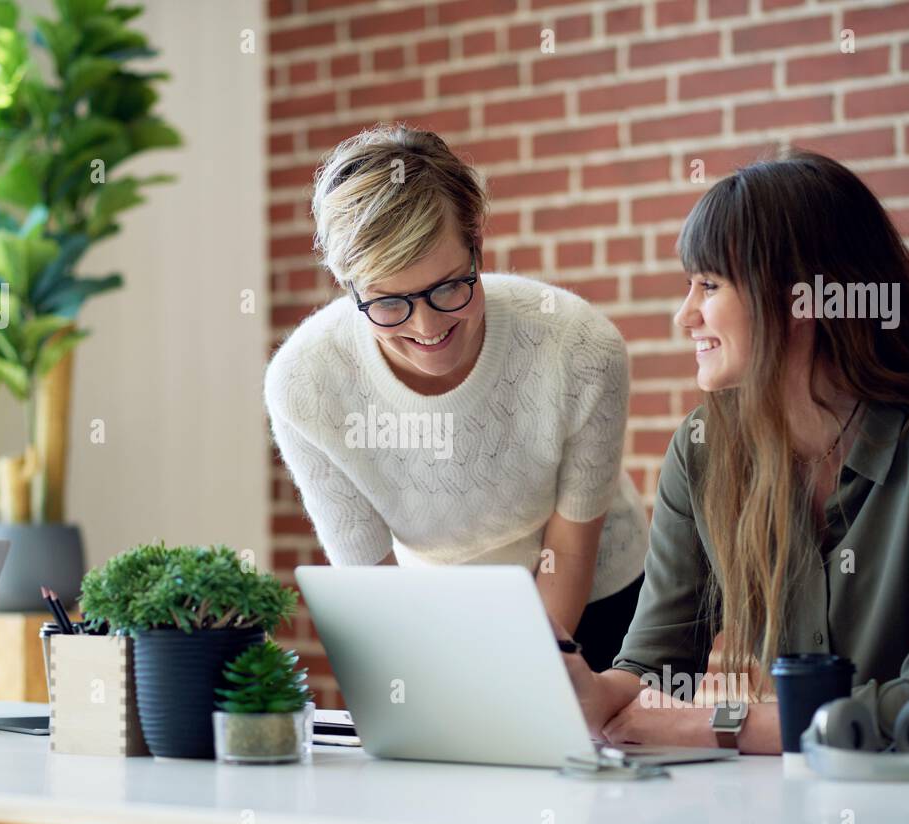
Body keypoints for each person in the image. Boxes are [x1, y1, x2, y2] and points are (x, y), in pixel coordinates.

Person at [561, 149, 909, 760]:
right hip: (818, 797)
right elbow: (655, 664)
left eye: (708, 286)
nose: (684, 315)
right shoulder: (703, 450)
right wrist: (590, 692)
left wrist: (723, 724)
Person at [264, 125, 649, 671]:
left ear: (477, 247)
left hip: (599, 599)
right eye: (390, 303)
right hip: (447, 601)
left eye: (449, 287)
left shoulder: (580, 347)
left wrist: (535, 676)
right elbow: (374, 590)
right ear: (349, 286)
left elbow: (565, 551)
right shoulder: (305, 384)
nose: (426, 327)